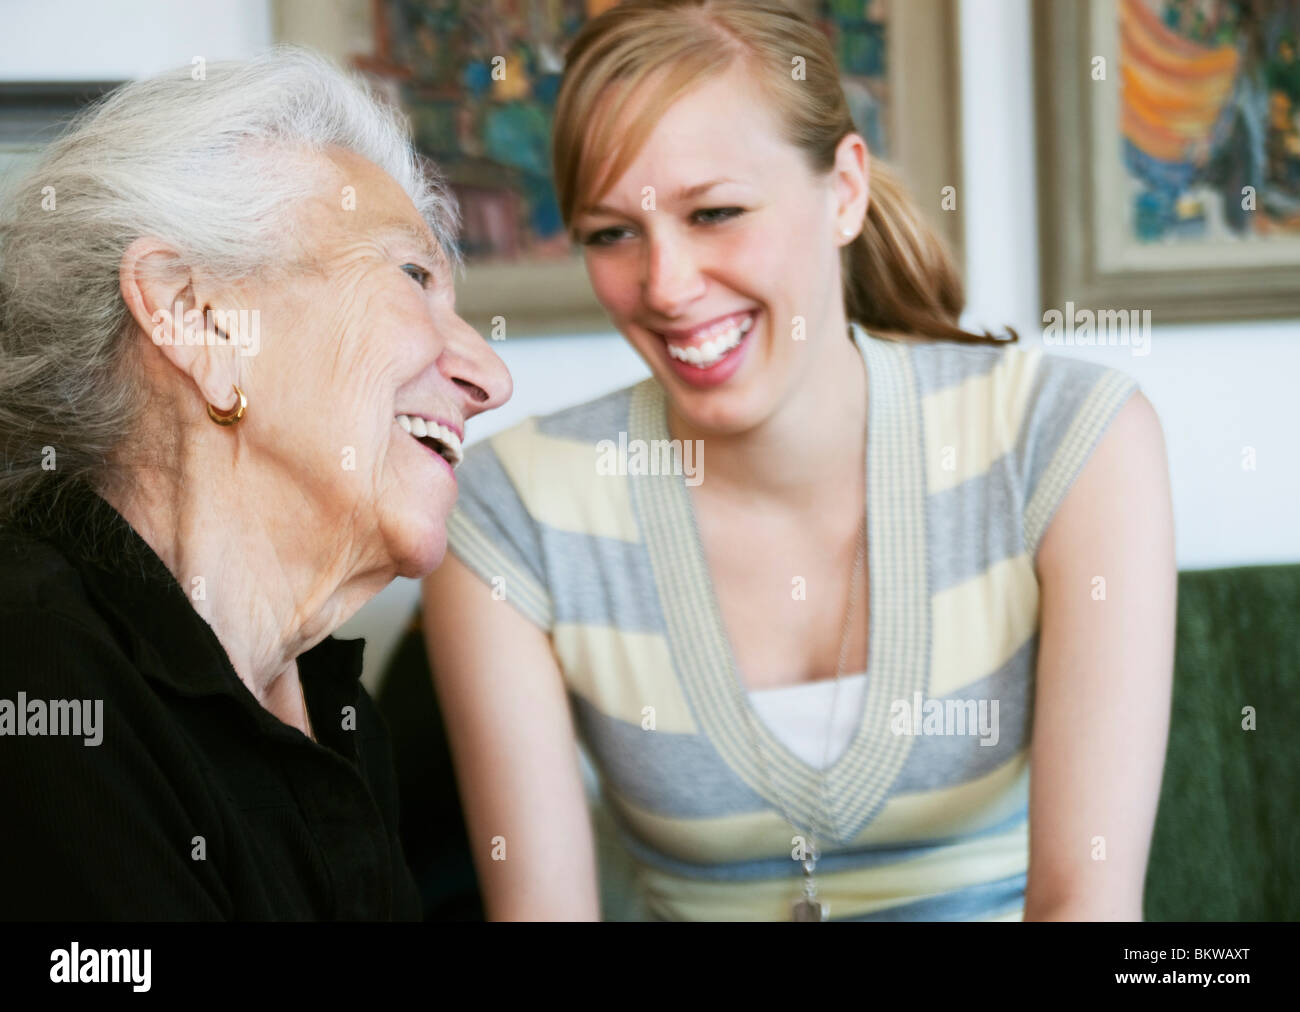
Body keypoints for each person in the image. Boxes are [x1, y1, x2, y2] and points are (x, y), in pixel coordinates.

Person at [423, 0, 1176, 921]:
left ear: (845, 192)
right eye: (612, 233)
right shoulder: (506, 513)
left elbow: (1087, 907)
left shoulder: (1073, 440)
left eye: (716, 212)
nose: (665, 286)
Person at [0, 46, 510, 920]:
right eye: (413, 276)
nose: (490, 375)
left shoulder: (326, 706)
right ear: (197, 317)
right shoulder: (39, 682)